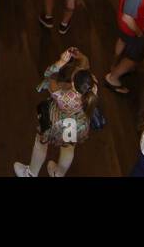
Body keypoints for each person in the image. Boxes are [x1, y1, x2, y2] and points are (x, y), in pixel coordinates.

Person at [14, 47, 98, 177]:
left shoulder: (62, 97)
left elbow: (48, 75)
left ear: (74, 84)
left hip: (57, 122)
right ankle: (58, 174)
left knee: (41, 142)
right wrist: (79, 55)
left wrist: (60, 62)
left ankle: (30, 174)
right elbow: (85, 62)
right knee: (68, 148)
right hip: (78, 124)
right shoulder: (92, 86)